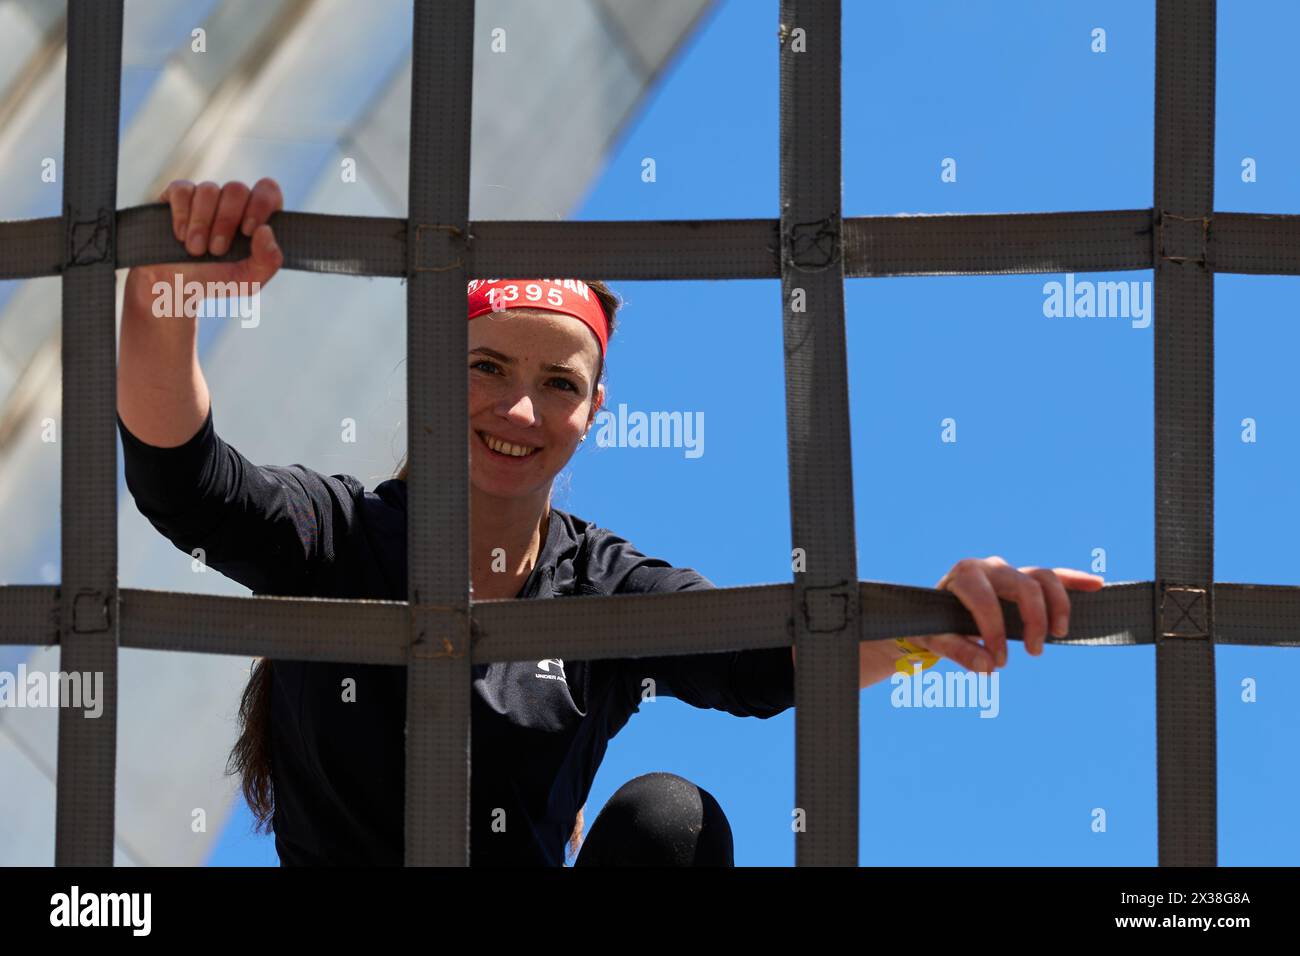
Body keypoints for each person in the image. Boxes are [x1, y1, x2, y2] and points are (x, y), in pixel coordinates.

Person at [117, 178, 1104, 867]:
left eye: (559, 385)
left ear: (594, 411)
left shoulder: (603, 587)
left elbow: (770, 654)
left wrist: (928, 617)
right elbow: (190, 485)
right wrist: (163, 299)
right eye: (487, 368)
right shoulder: (340, 536)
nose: (521, 413)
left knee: (670, 819)